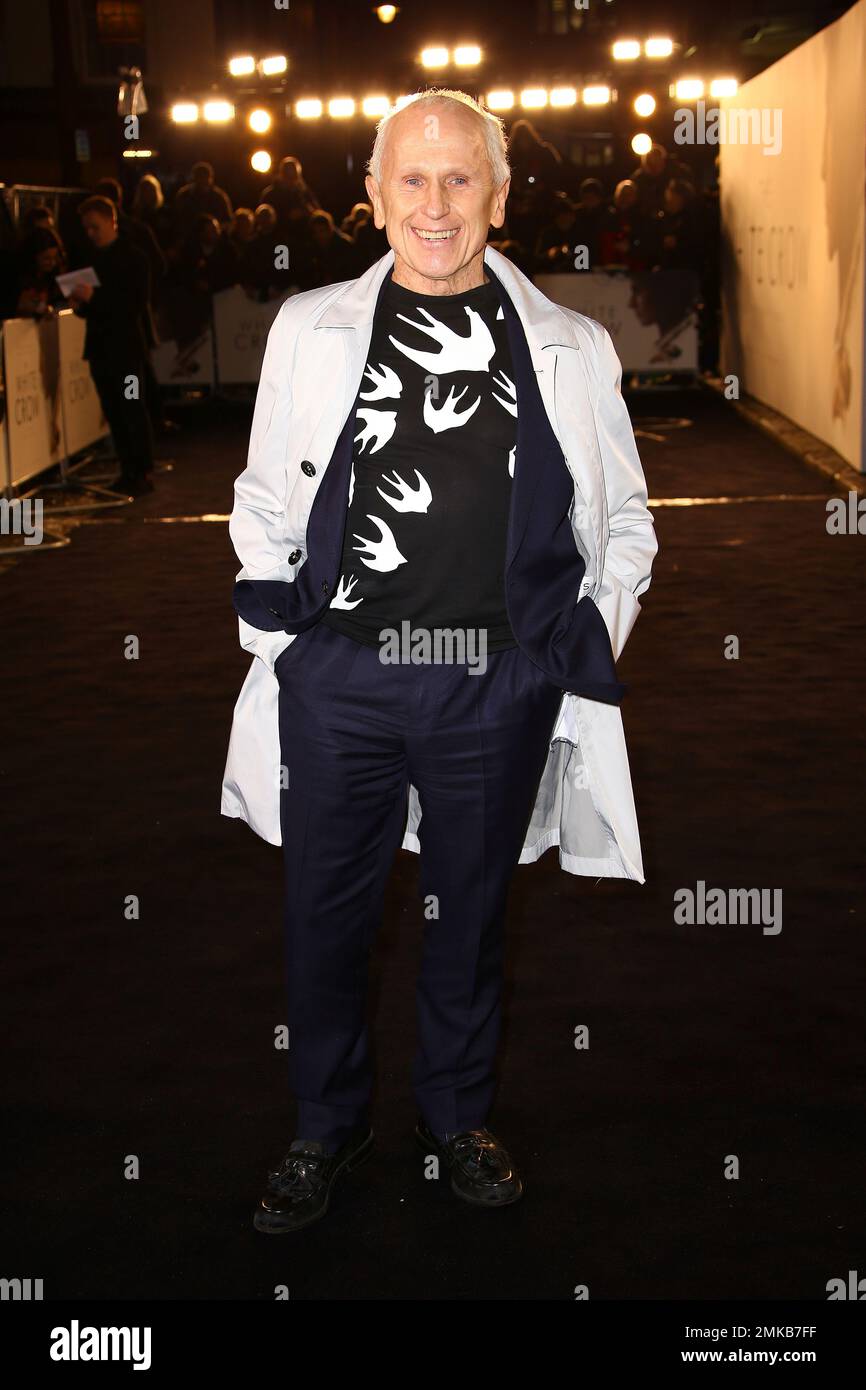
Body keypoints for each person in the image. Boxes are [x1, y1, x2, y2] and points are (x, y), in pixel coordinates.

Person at [221, 87, 657, 1233]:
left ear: (499, 196)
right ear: (369, 197)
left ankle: (454, 1116)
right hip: (341, 680)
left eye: (458, 178)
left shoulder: (570, 346)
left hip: (490, 681)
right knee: (324, 916)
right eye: (408, 179)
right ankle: (325, 1124)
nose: (433, 203)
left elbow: (624, 522)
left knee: (469, 916)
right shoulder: (305, 327)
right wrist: (283, 637)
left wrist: (577, 637)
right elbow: (267, 493)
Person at [69, 195, 154, 496]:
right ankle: (127, 468)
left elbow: (133, 305)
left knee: (131, 408)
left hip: (127, 349)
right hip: (100, 348)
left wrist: (93, 298)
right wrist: (80, 304)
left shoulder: (134, 258)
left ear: (111, 220)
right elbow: (93, 309)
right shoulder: (91, 259)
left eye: (95, 226)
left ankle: (141, 469)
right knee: (113, 410)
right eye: (86, 228)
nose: (91, 233)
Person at [174, 161, 232, 236]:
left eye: (204, 176)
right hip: (189, 238)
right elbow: (177, 218)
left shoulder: (219, 197)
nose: (202, 180)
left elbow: (227, 221)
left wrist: (215, 232)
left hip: (213, 239)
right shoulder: (184, 195)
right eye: (199, 176)